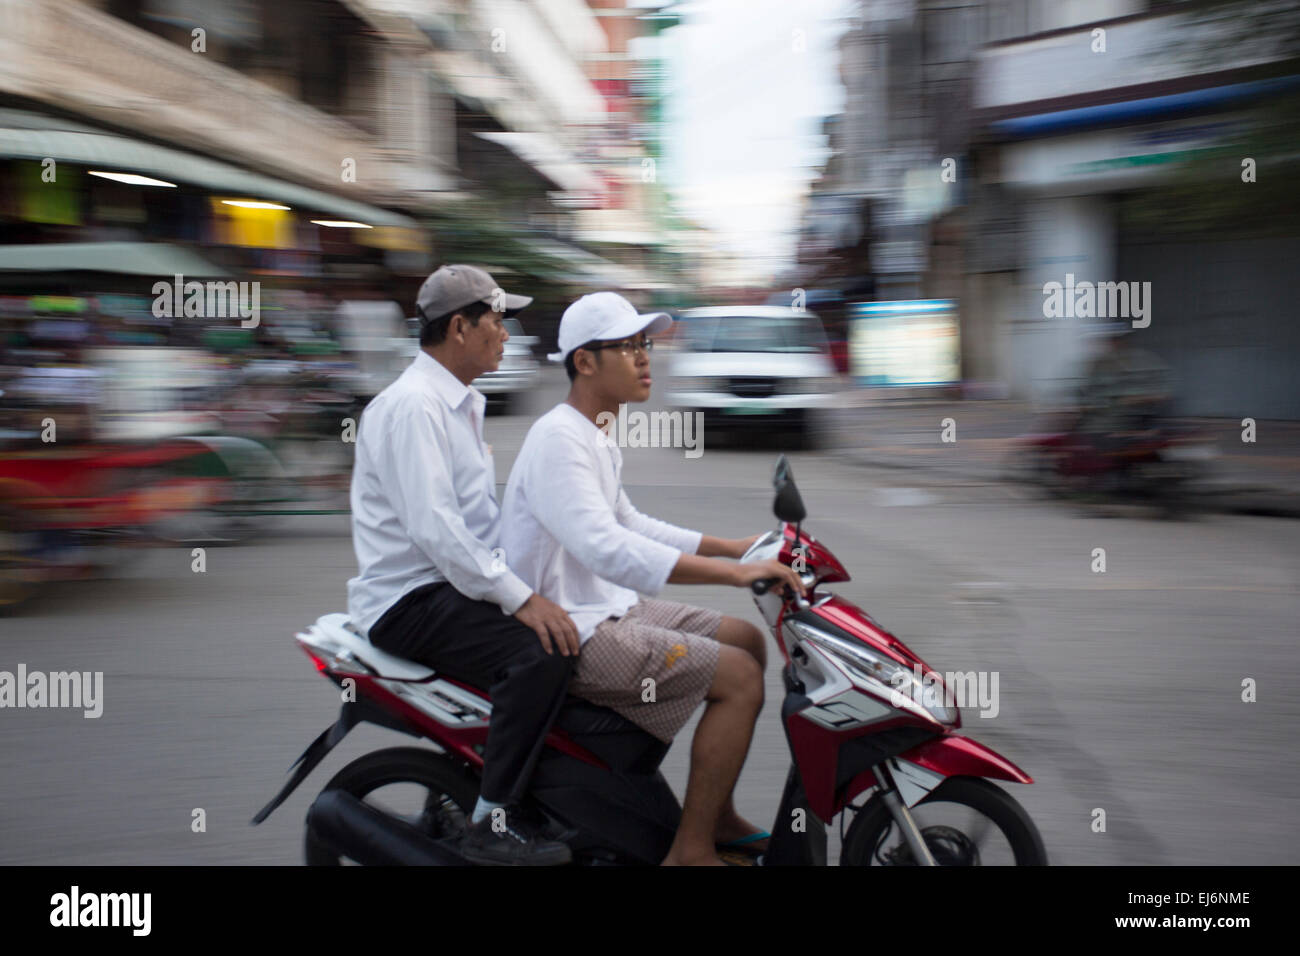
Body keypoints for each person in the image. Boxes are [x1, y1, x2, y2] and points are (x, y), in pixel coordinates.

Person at [501, 292, 805, 866]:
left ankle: (716, 816)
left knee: (747, 640)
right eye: (629, 347)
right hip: (574, 630)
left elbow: (628, 522)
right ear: (585, 362)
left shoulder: (593, 432)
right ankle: (689, 851)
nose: (646, 358)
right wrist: (735, 572)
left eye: (646, 344)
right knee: (738, 678)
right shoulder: (559, 440)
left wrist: (734, 545)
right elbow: (608, 548)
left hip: (607, 606)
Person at [346, 264, 579, 866]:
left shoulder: (459, 404)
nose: (507, 333)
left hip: (446, 587)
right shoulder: (415, 408)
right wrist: (523, 600)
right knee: (544, 649)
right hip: (411, 599)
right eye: (498, 320)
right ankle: (491, 821)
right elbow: (438, 529)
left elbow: (480, 523)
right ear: (459, 327)